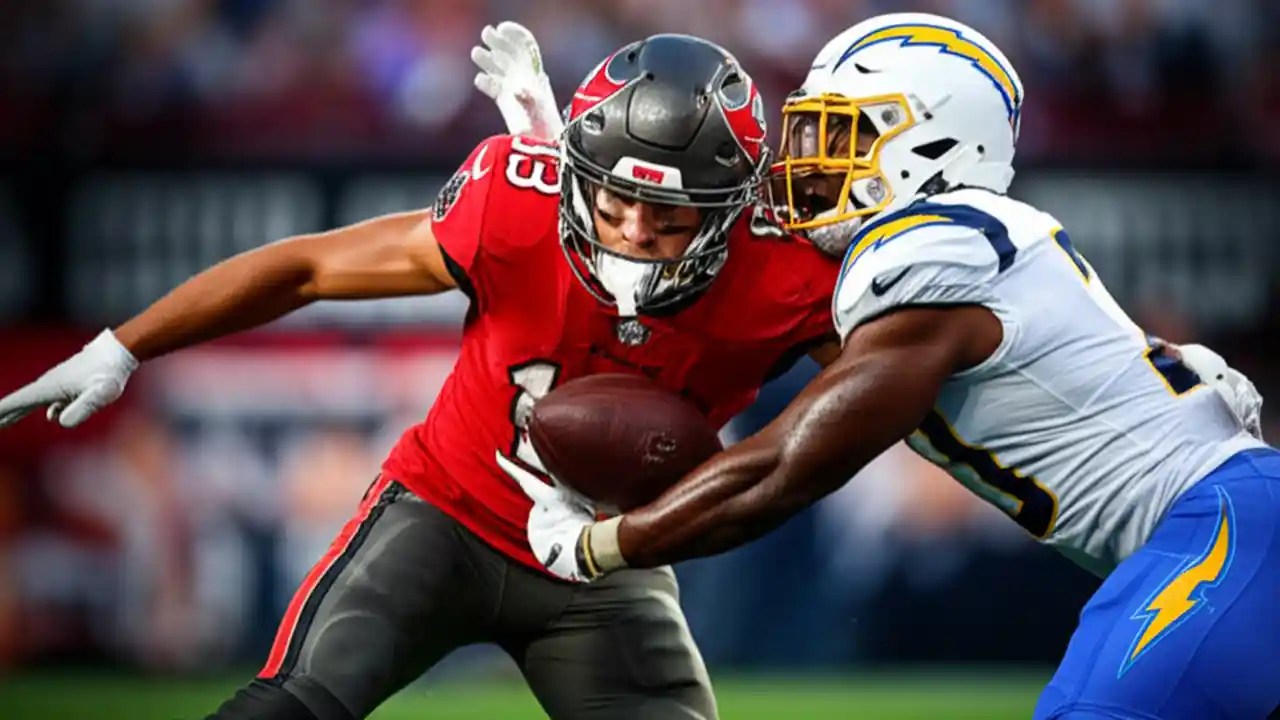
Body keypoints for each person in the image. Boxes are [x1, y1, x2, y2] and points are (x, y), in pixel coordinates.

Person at [0, 35, 844, 720]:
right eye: (611, 203)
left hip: (605, 564)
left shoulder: (785, 275)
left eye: (667, 220)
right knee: (288, 710)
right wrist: (124, 347)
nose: (627, 235)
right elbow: (307, 269)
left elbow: (877, 391)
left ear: (734, 210)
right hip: (445, 515)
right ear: (573, 174)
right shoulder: (517, 204)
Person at [500, 14, 1277, 720]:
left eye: (842, 135)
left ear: (936, 143)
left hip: (1220, 534)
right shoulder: (972, 249)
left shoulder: (930, 250)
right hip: (1225, 530)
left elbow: (787, 467)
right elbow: (722, 280)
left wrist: (608, 544)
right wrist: (565, 173)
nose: (808, 161)